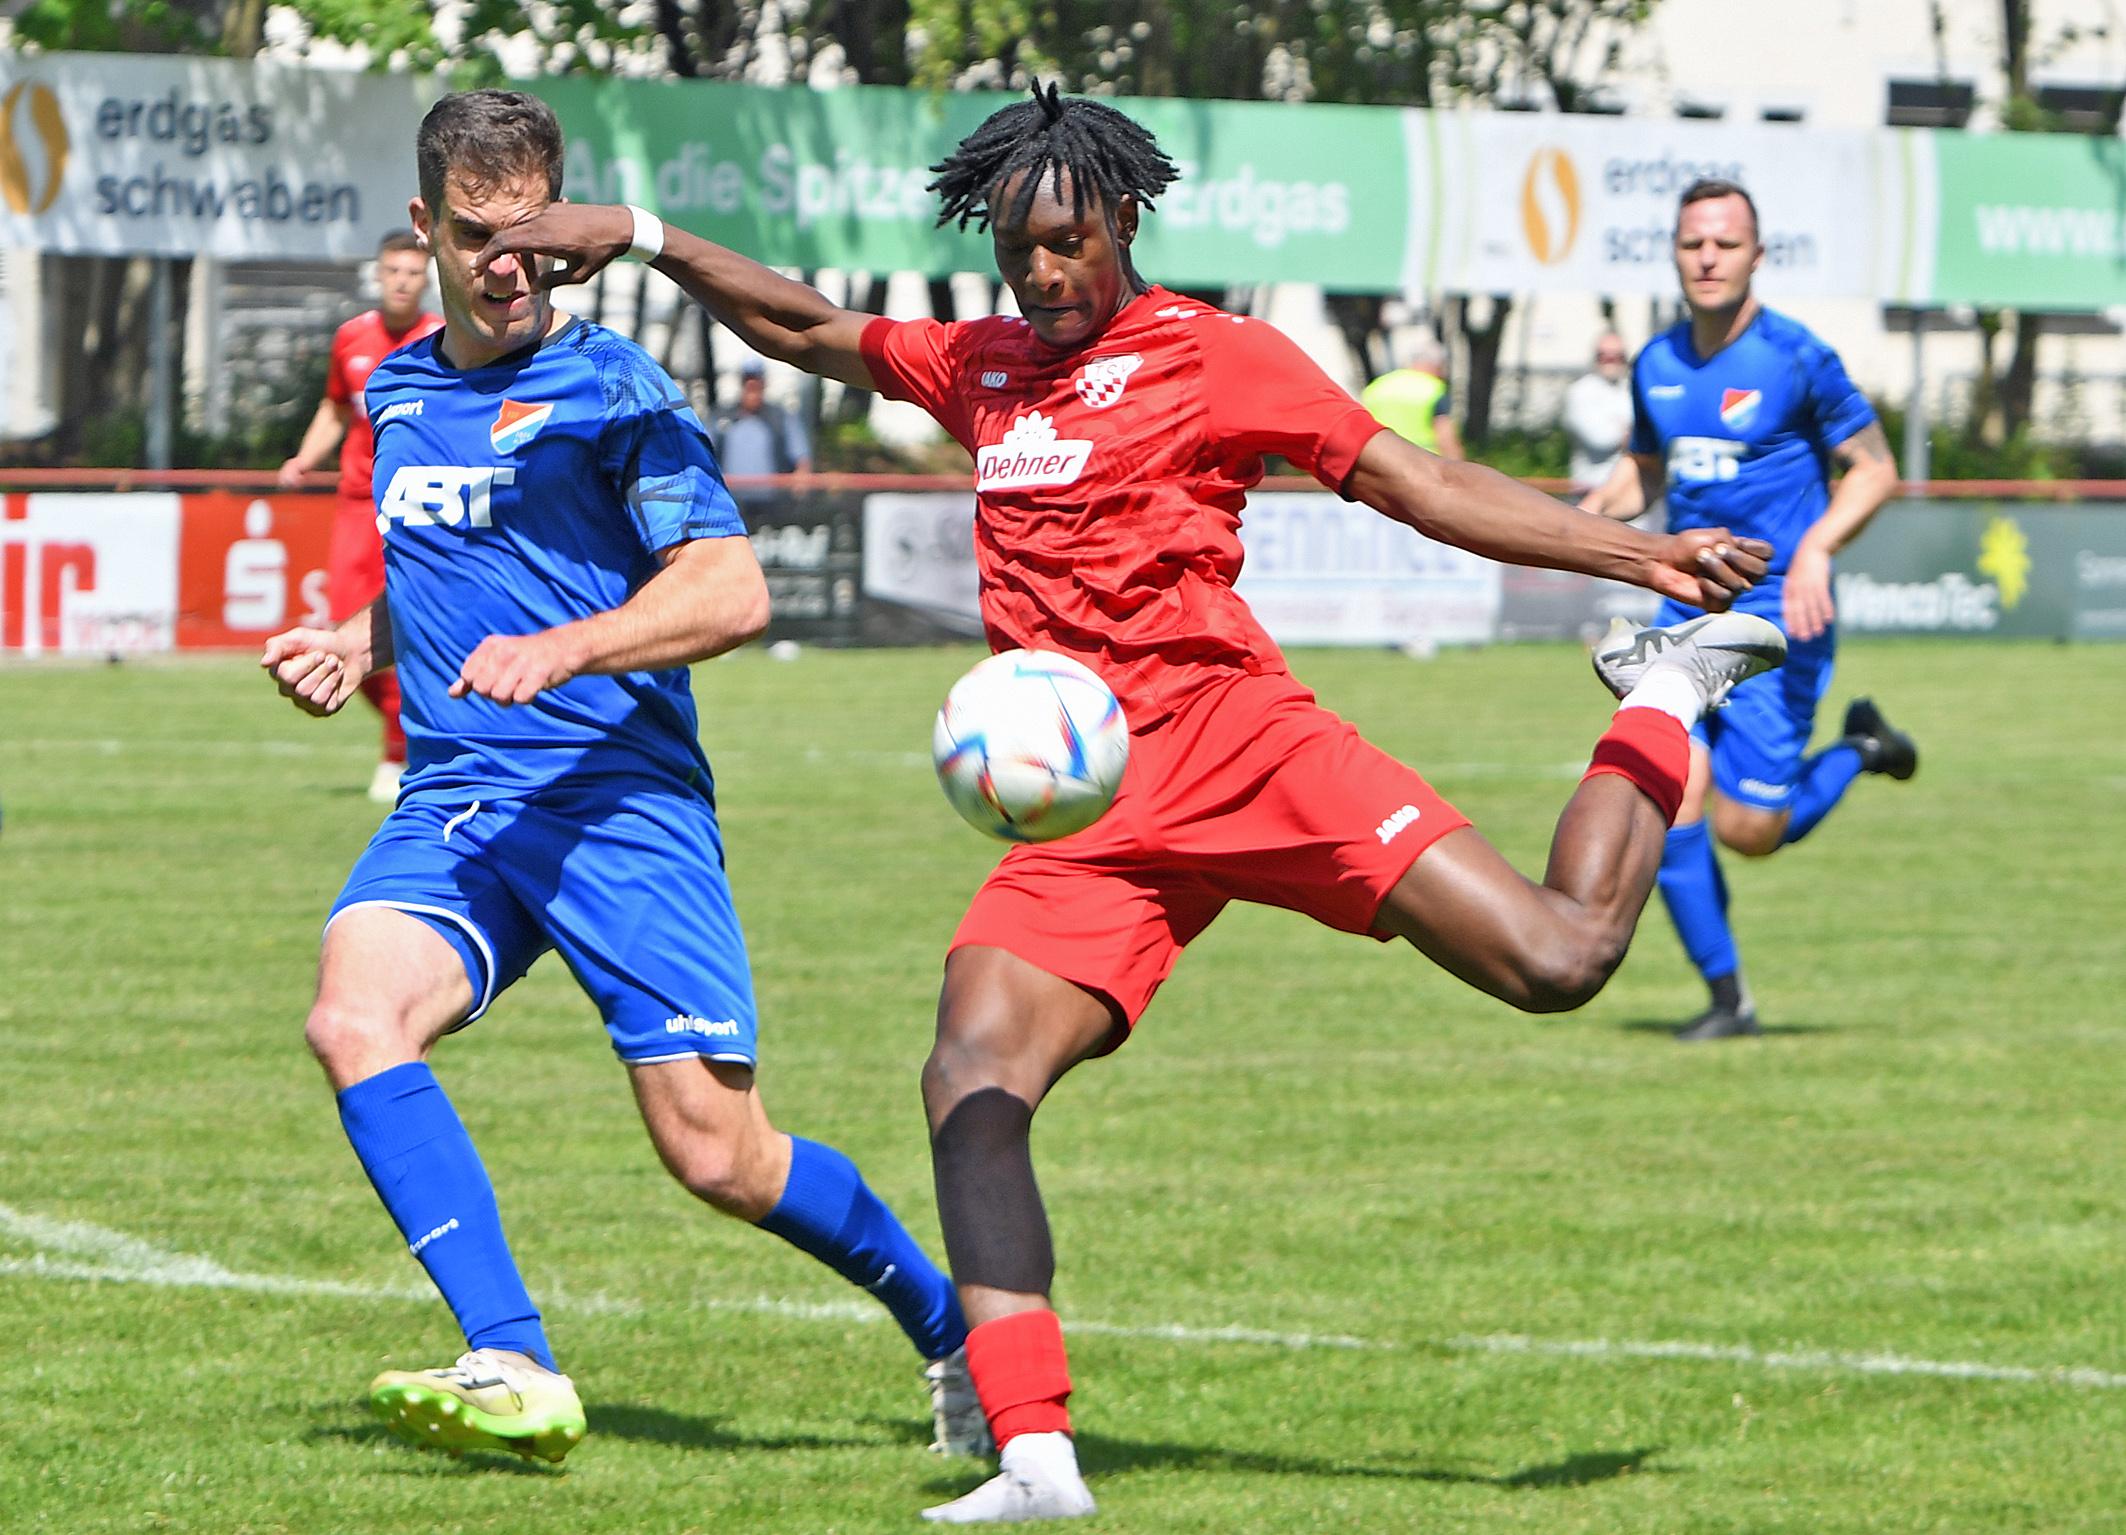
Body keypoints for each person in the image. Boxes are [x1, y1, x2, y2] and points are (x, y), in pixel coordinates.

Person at [477, 84, 1780, 1522]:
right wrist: (651, 235)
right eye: (1014, 251)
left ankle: (1658, 692)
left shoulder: (1215, 356)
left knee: (1558, 958)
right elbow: (805, 328)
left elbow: (1414, 481)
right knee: (969, 1077)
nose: (1038, 274)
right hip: (1082, 805)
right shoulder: (986, 366)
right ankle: (1033, 1455)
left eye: (1063, 242)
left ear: (1123, 222)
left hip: (1238, 744)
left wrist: (1632, 552)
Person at [258, 89, 983, 1468]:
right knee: (354, 1013)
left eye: (529, 231)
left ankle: (955, 1323)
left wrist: (565, 648)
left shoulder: (613, 387)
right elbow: (442, 572)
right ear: (426, 228)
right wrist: (356, 640)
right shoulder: (398, 390)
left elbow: (730, 586)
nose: (506, 262)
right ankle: (512, 1358)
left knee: (715, 1150)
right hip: (465, 802)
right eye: (476, 236)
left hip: (619, 799)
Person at [1580, 178, 1916, 1041]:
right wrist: (1576, 523)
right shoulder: (1656, 364)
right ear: (1675, 252)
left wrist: (1817, 550)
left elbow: (1875, 467)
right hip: (1694, 611)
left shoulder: (1796, 356)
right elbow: (1647, 472)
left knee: (1751, 829)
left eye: (1726, 243)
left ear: (1756, 256)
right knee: (1673, 790)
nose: (1708, 257)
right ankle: (1729, 999)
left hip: (1775, 621)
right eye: (1694, 242)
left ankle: (1861, 747)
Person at [278, 229, 443, 804]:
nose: (402, 281)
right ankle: (401, 730)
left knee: (409, 621)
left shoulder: (443, 341)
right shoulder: (351, 339)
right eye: (393, 271)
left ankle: (401, 752)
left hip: (415, 503)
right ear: (378, 275)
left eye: (413, 272)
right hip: (355, 503)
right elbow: (334, 407)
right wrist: (304, 457)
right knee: (347, 621)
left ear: (427, 279)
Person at [1361, 331, 1464, 460]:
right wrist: (1457, 468)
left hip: (1381, 463)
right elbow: (1445, 436)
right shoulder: (1433, 389)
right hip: (1424, 464)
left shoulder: (1376, 387)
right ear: (1435, 364)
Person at [711, 356, 813, 479]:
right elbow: (702, 452)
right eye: (747, 382)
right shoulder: (722, 417)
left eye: (757, 383)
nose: (752, 389)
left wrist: (801, 478)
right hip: (730, 495)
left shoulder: (779, 417)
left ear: (764, 384)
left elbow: (801, 459)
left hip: (773, 496)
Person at [1562, 330, 1635, 496]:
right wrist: (1634, 432)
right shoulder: (1580, 392)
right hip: (1590, 491)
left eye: (1618, 356)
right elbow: (1602, 439)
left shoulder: (1631, 388)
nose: (1611, 362)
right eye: (1604, 356)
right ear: (1595, 357)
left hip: (1628, 493)